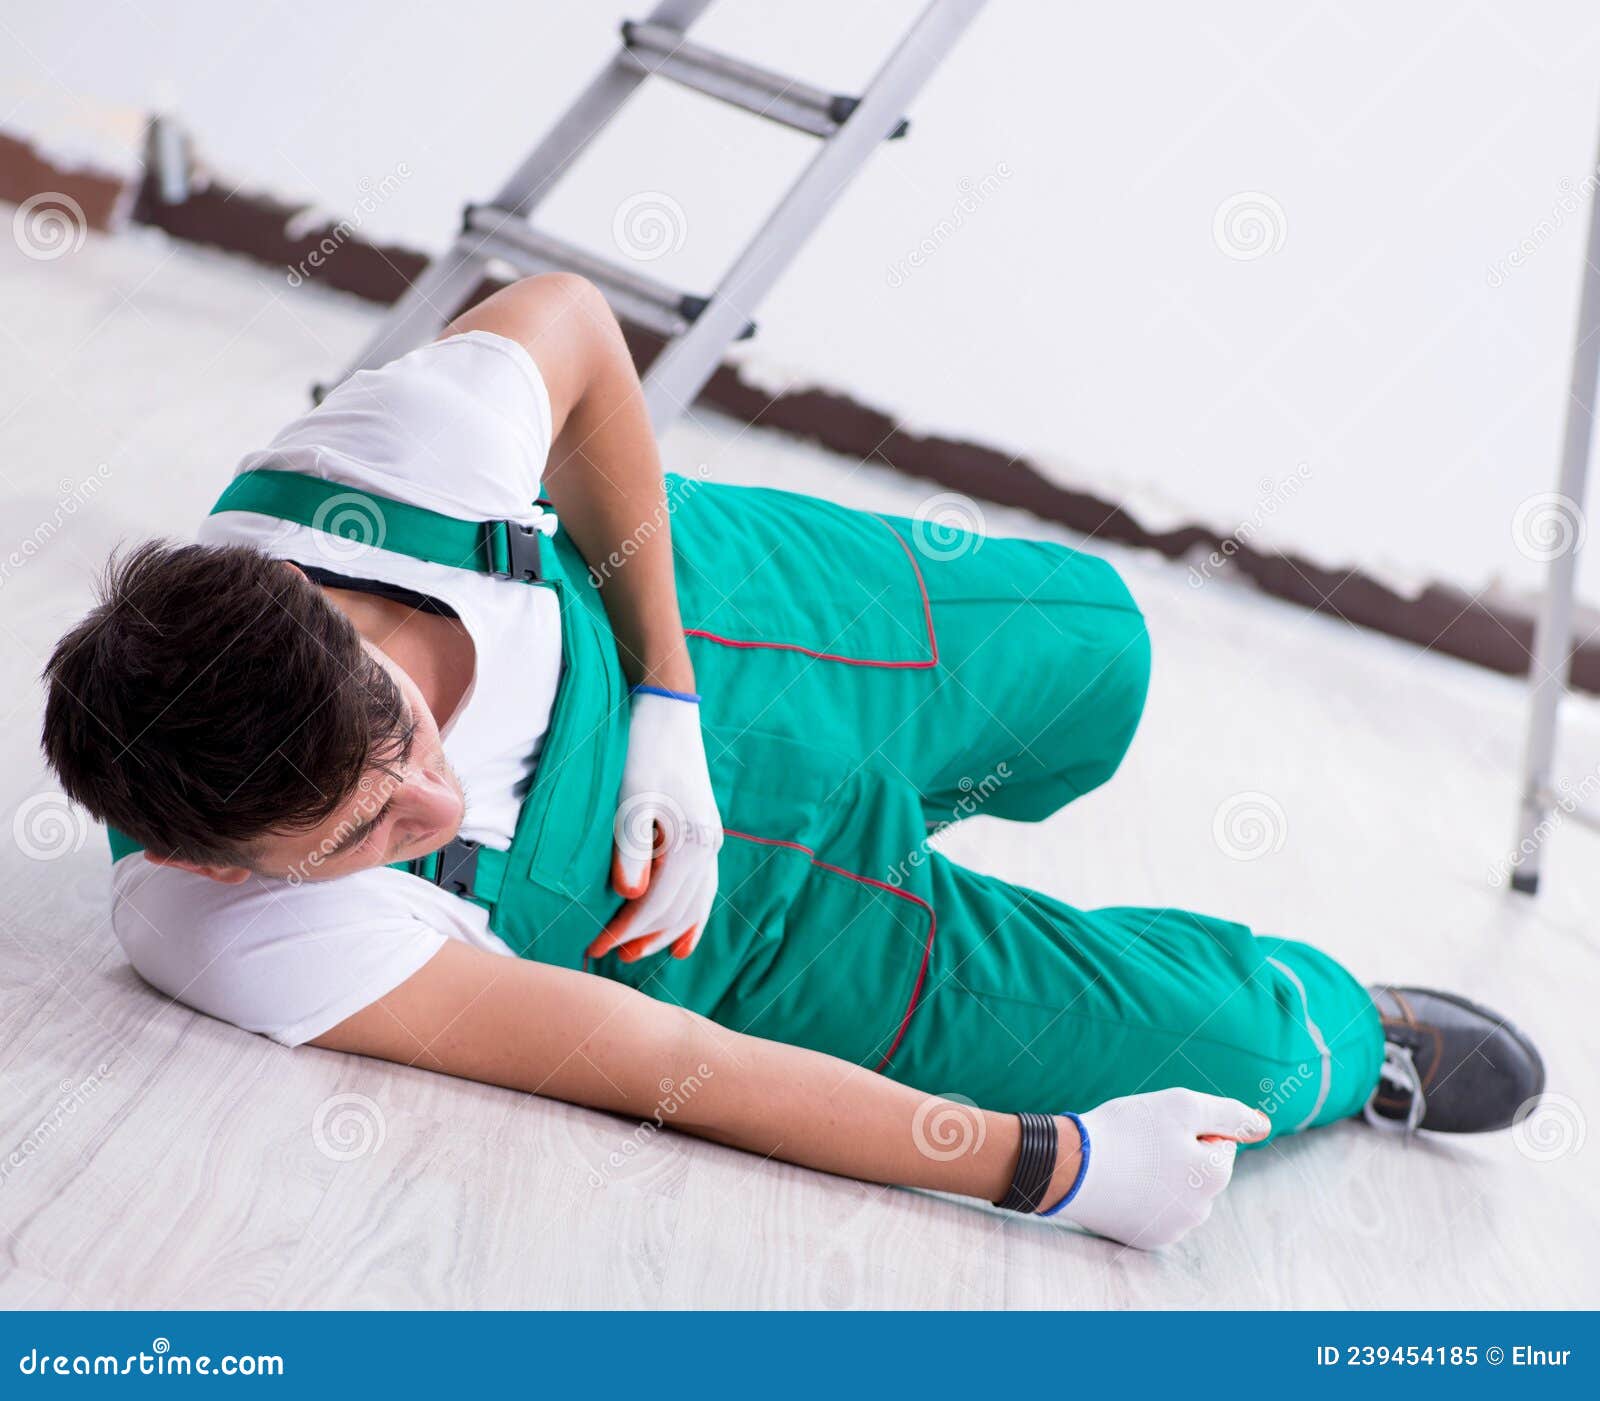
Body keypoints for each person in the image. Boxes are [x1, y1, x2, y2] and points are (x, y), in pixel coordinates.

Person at [41, 275, 1544, 1250]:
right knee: (1242, 1060)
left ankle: (948, 799)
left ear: (311, 601)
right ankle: (1352, 1030)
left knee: (1099, 648)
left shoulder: (380, 470)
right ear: (204, 866)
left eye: (406, 734)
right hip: (720, 925)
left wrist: (665, 699)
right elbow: (652, 1063)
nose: (435, 801)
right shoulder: (223, 936)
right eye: (368, 832)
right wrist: (1045, 1165)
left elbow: (573, 323)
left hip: (705, 619)